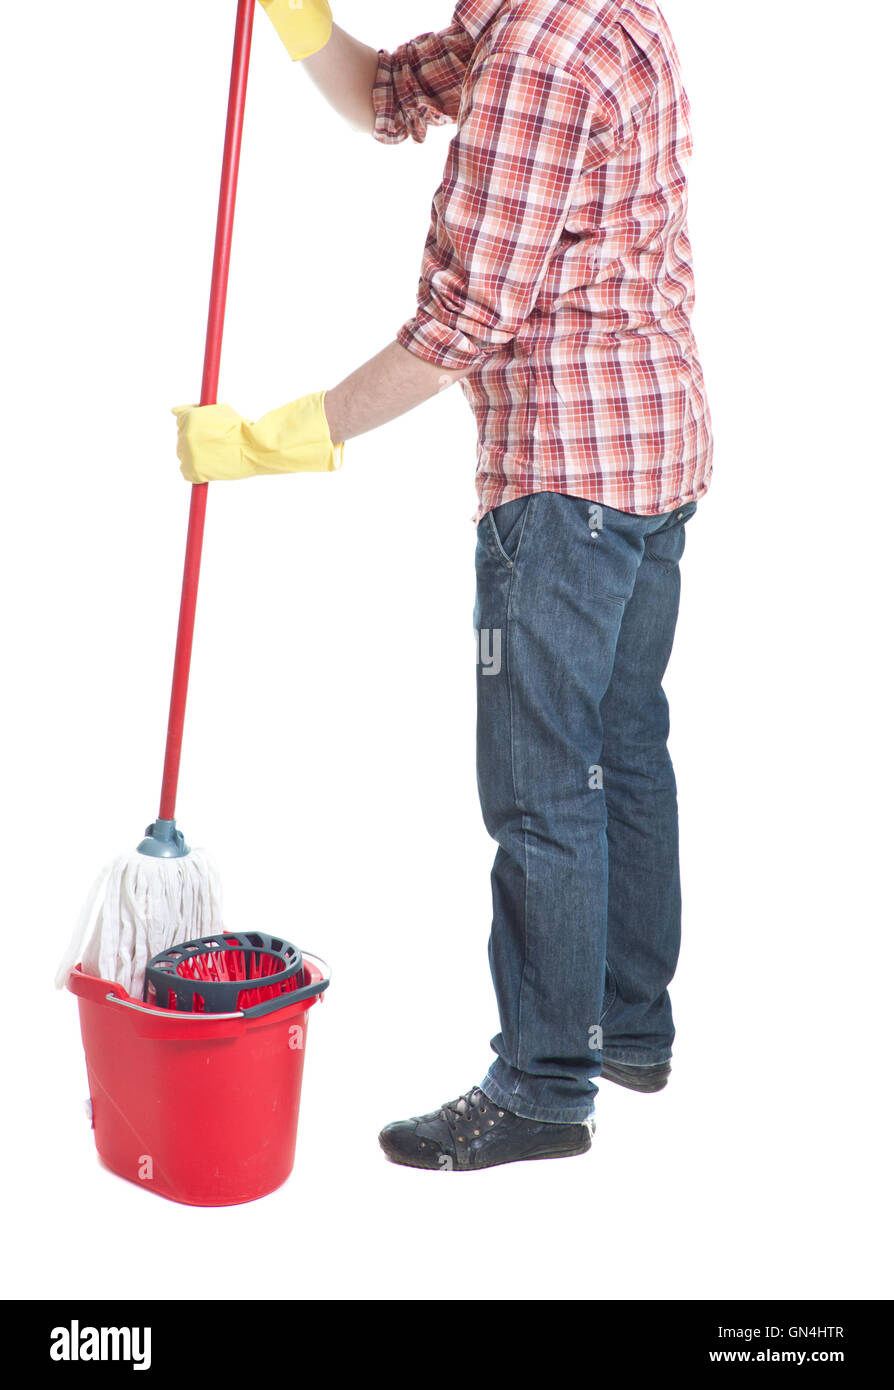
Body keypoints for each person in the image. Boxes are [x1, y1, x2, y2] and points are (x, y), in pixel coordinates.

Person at [175, 0, 714, 1172]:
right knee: (620, 746)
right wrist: (304, 23)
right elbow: (391, 94)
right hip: (652, 454)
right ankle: (628, 1026)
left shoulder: (535, 53)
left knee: (540, 787)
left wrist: (282, 436)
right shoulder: (575, 15)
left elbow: (459, 324)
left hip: (566, 480)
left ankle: (541, 1084)